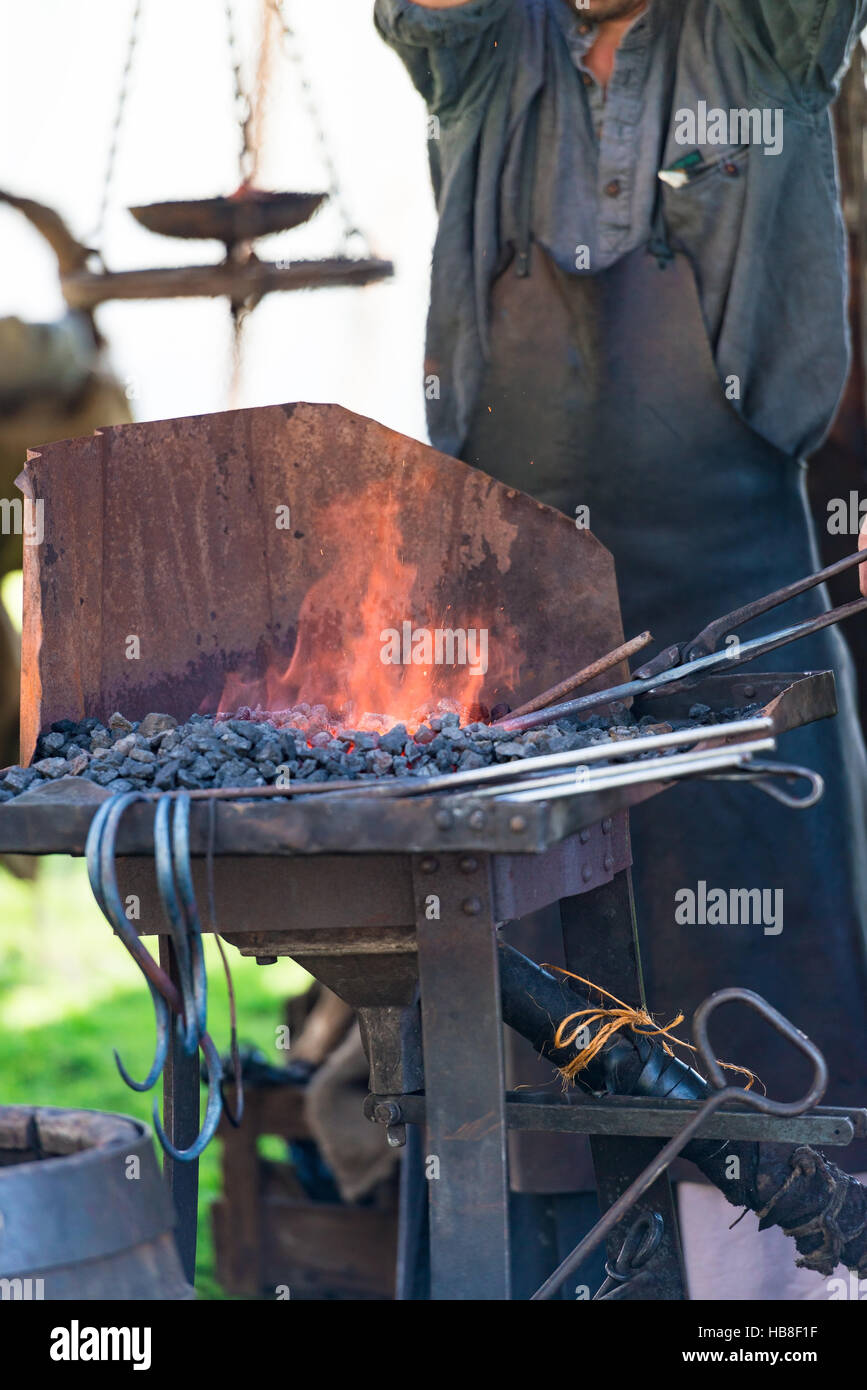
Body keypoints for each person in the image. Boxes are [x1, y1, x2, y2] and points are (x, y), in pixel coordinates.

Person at [375, 0, 867, 1299]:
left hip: (740, 645)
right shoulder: (488, 47)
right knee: (527, 1067)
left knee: (763, 1058)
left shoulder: (763, 39)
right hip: (518, 662)